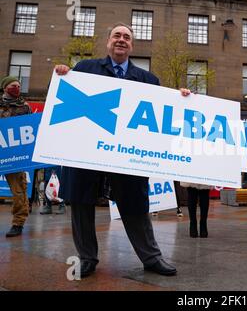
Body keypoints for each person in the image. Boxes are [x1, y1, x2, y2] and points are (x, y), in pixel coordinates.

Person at [54, 23, 180, 278]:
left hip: (126, 156)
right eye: (116, 36)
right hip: (86, 153)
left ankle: (151, 258)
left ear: (132, 45)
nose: (121, 40)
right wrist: (64, 75)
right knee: (81, 202)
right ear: (108, 42)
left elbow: (162, 114)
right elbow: (66, 96)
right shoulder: (84, 70)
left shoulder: (148, 80)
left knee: (134, 203)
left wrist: (182, 97)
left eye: (127, 37)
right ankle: (87, 258)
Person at [0, 76, 32, 237]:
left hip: (14, 156)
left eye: (18, 86)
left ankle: (18, 223)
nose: (17, 88)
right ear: (5, 87)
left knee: (19, 190)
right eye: (13, 85)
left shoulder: (25, 106)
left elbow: (30, 129)